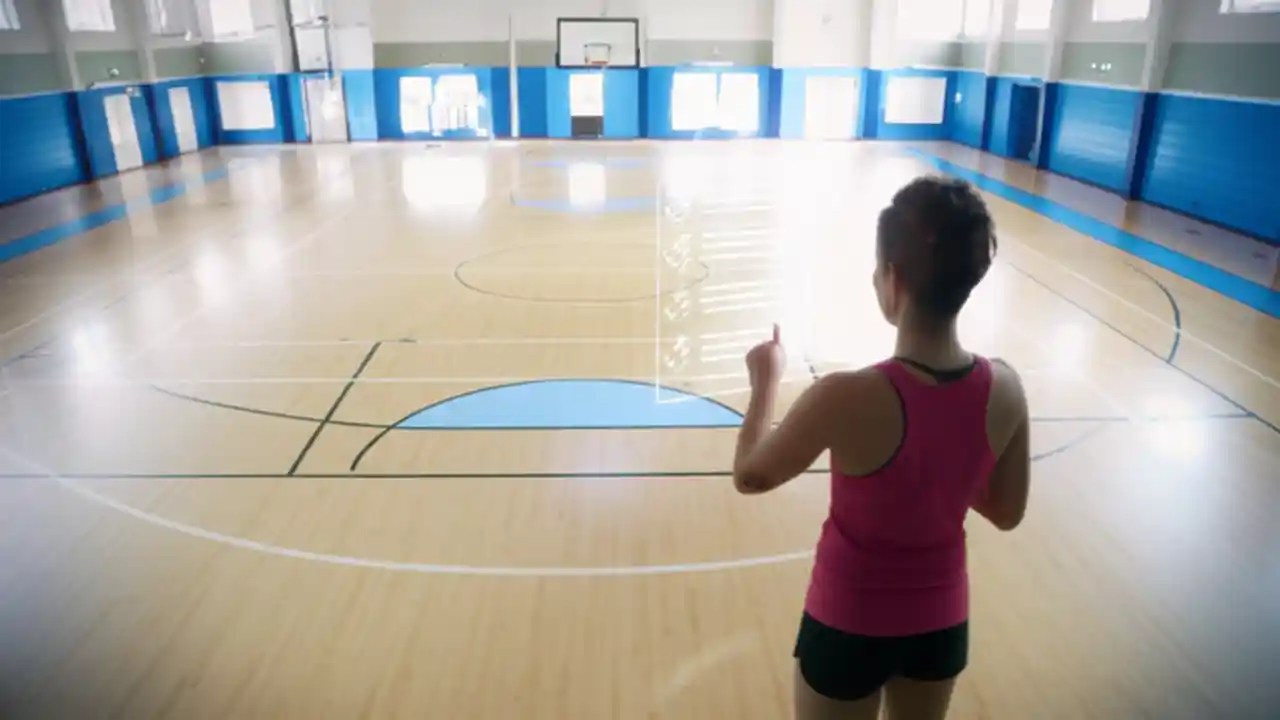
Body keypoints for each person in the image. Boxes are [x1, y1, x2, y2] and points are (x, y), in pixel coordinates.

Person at [732, 176, 1030, 720]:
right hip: (940, 625)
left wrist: (765, 380)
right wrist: (943, 461)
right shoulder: (1006, 388)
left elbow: (751, 475)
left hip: (847, 621)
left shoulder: (846, 396)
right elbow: (1007, 512)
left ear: (893, 279)